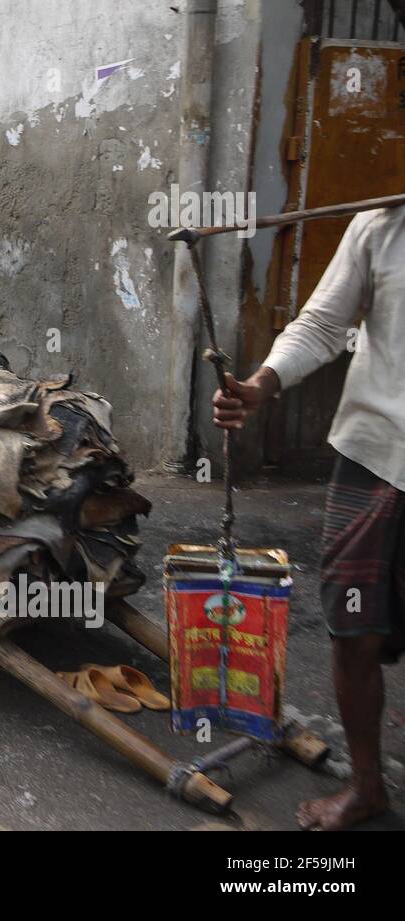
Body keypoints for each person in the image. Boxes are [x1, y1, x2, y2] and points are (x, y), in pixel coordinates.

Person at [213, 207, 404, 831]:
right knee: (353, 627)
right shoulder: (381, 226)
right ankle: (368, 786)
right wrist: (261, 385)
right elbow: (324, 324)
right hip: (376, 454)